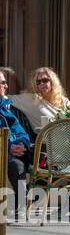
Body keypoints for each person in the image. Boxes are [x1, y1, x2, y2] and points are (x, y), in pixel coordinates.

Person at [1, 67, 35, 220]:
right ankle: (23, 204)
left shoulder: (7, 107)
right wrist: (9, 147)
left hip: (15, 150)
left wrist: (23, 145)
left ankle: (67, 198)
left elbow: (21, 132)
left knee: (45, 157)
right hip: (3, 151)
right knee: (16, 165)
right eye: (2, 83)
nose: (6, 86)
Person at [11, 66, 70, 131]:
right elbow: (6, 98)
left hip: (67, 140)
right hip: (44, 141)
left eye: (45, 80)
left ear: (52, 81)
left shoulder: (63, 100)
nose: (41, 84)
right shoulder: (31, 99)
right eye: (38, 82)